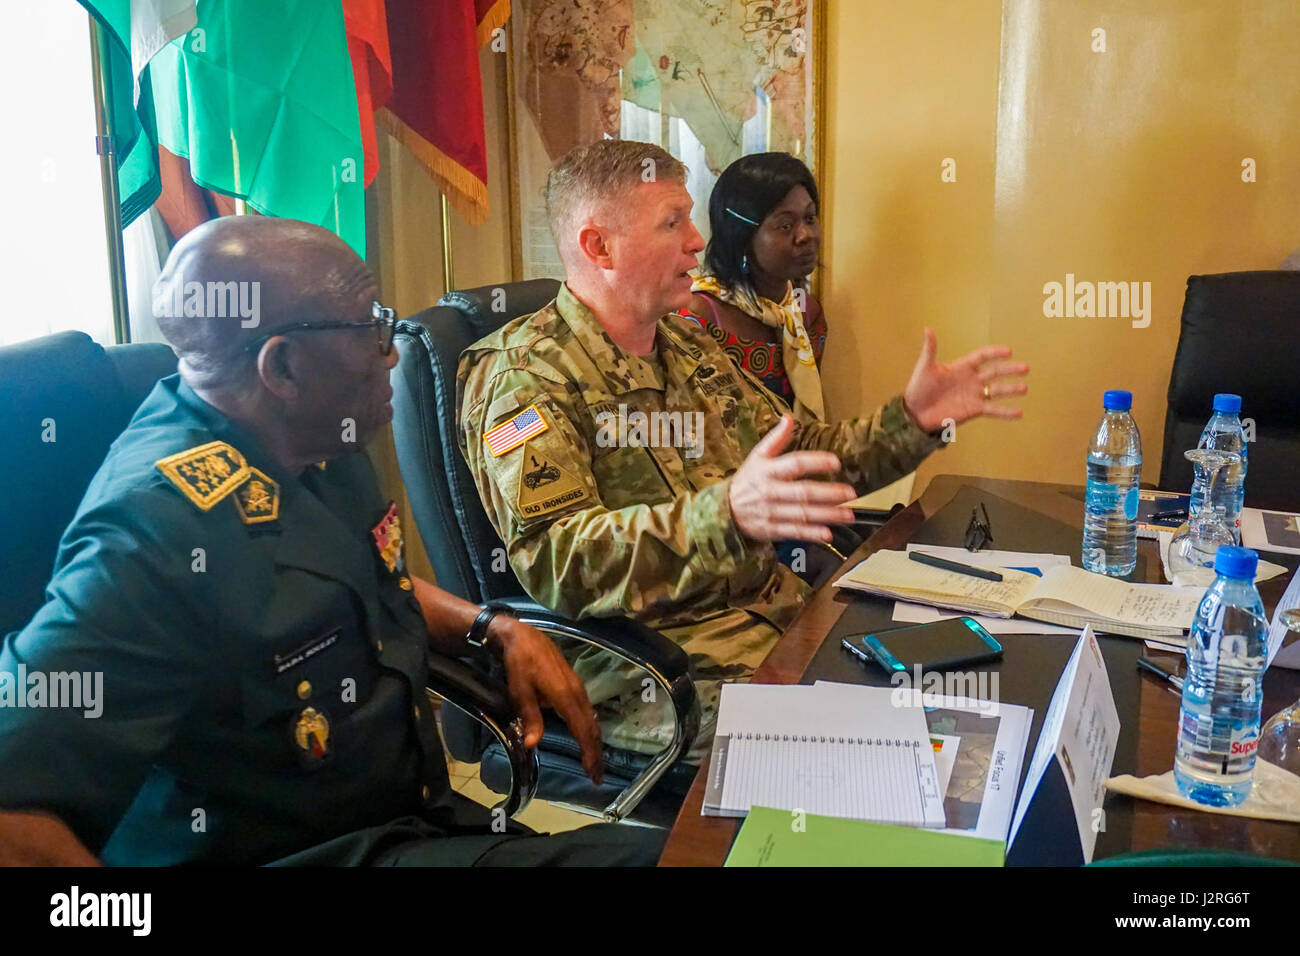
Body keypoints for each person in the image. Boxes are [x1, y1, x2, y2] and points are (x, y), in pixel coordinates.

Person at [0, 216, 664, 867]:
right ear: (283, 365)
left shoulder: (318, 433)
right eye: (372, 328)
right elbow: (13, 819)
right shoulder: (151, 538)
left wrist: (493, 626)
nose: (392, 351)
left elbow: (364, 575)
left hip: (412, 818)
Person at [457, 140, 1029, 759]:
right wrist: (725, 514)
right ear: (600, 247)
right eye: (672, 223)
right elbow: (558, 561)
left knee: (979, 706)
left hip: (780, 617)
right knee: (882, 759)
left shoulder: (687, 345)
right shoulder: (524, 378)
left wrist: (911, 422)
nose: (697, 241)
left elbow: (799, 453)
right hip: (660, 671)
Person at [686, 152, 827, 421]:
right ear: (741, 235)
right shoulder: (697, 316)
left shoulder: (808, 314)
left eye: (809, 218)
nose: (805, 235)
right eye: (785, 225)